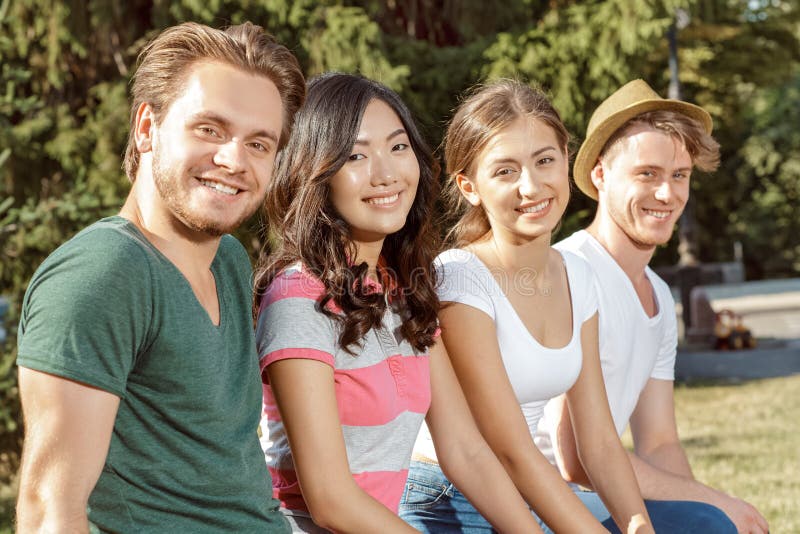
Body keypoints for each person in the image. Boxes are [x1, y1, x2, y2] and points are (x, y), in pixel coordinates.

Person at [15, 22, 305, 532]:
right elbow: (50, 512)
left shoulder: (230, 261)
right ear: (146, 127)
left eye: (259, 143)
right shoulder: (102, 276)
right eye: (209, 129)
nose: (234, 160)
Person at [253, 73, 543, 534]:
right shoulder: (296, 299)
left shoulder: (400, 290)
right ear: (315, 173)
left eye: (398, 146)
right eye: (355, 155)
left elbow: (464, 449)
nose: (386, 173)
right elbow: (329, 501)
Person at [401, 79, 653, 534]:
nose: (532, 186)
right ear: (469, 186)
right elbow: (508, 448)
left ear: (566, 159)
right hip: (445, 500)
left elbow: (597, 441)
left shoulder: (578, 274)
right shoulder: (460, 279)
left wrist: (638, 524)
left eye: (544, 161)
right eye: (505, 171)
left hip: (530, 489)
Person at [535, 79, 768, 533]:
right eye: (647, 174)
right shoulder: (570, 271)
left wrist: (715, 511)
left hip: (598, 495)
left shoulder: (658, 294)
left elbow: (659, 443)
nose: (667, 194)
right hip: (535, 500)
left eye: (679, 175)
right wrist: (712, 507)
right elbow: (576, 461)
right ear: (600, 176)